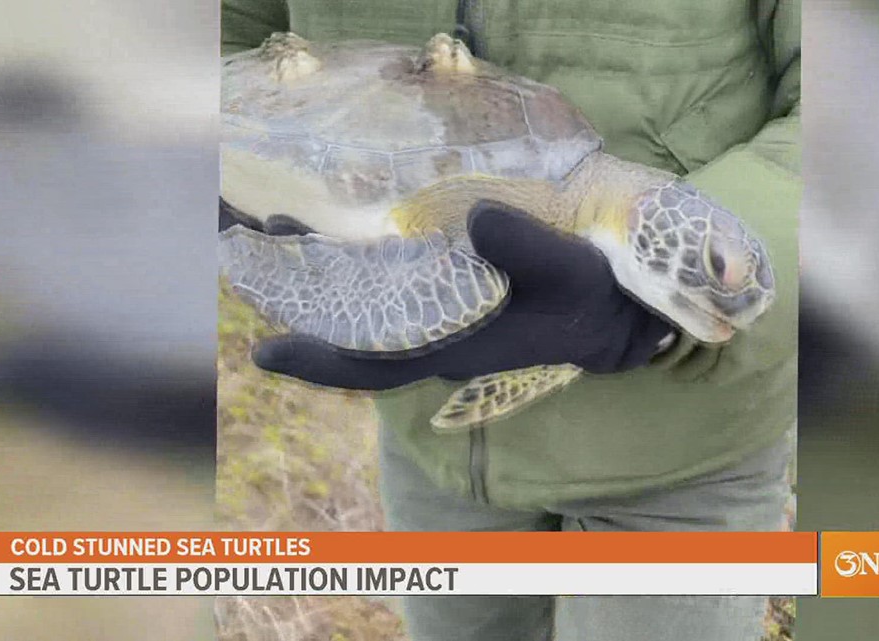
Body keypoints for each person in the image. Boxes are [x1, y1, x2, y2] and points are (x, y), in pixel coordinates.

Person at [221, 2, 800, 639]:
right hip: (432, 444)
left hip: (691, 451)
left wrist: (647, 320)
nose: (730, 301)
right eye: (716, 269)